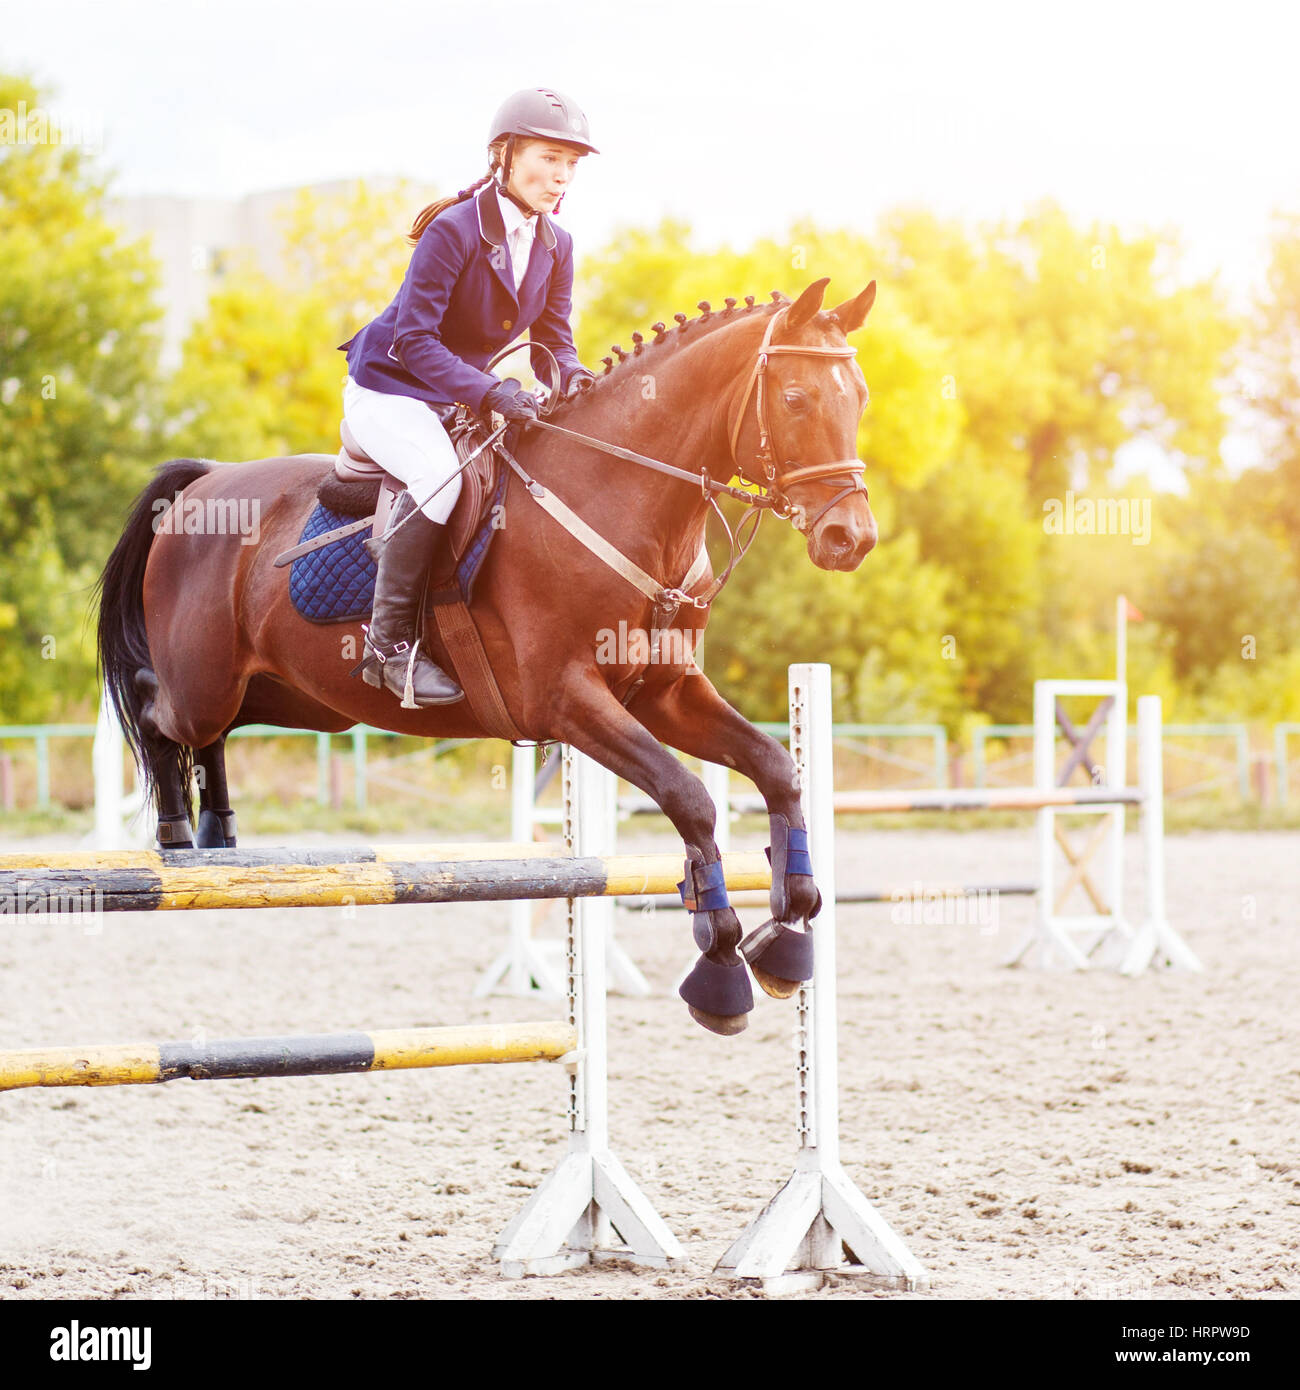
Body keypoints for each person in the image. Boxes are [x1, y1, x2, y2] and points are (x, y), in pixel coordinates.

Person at [337, 88, 599, 707]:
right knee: (440, 477)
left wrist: (576, 380)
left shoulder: (558, 244)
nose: (561, 176)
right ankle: (390, 649)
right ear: (504, 154)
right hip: (390, 386)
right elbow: (415, 340)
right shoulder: (454, 231)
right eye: (549, 157)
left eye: (571, 164)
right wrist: (493, 393)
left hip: (457, 399)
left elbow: (554, 342)